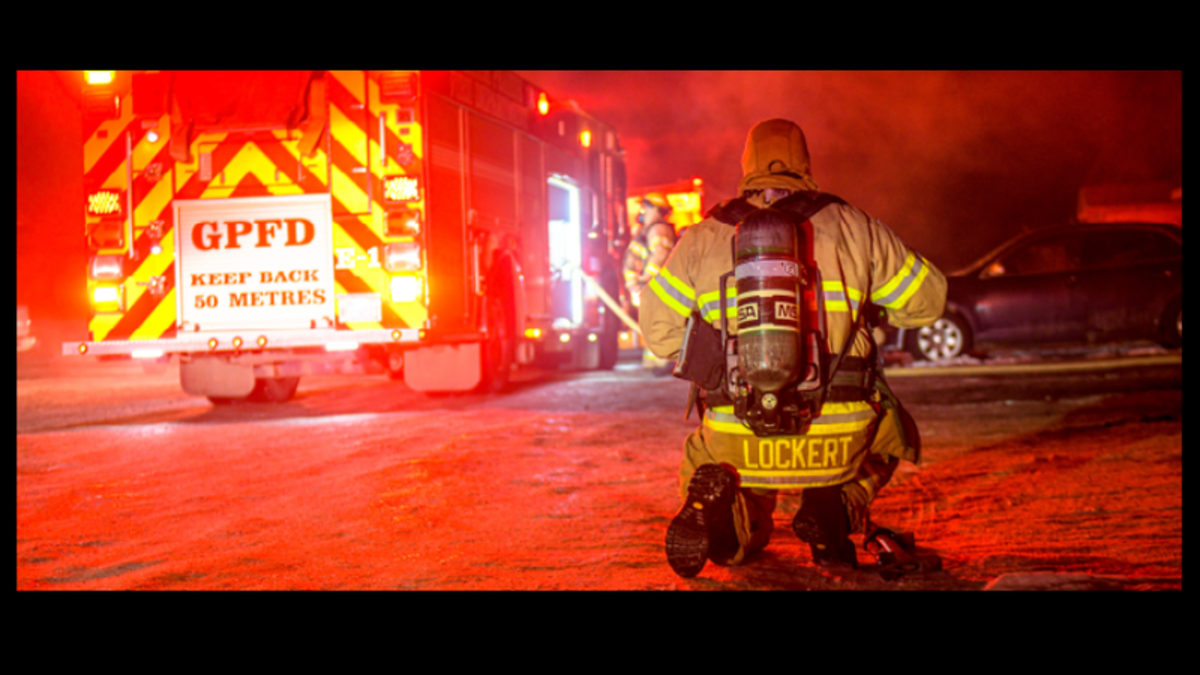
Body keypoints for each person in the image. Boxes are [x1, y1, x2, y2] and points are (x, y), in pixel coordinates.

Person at [639, 118, 947, 578]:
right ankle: (834, 504)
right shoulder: (853, 224)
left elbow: (658, 334)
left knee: (727, 491)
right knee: (890, 436)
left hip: (737, 435)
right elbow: (929, 301)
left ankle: (726, 521)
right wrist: (872, 309)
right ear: (804, 164)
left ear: (747, 166)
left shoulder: (703, 237)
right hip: (839, 435)